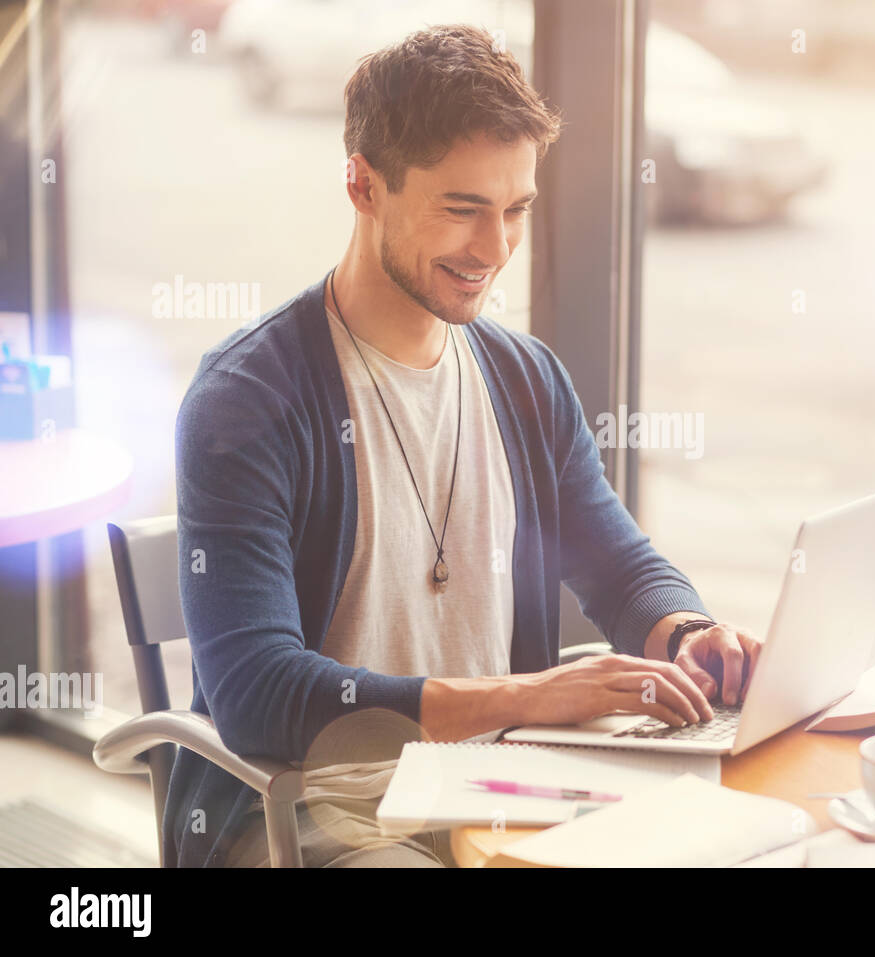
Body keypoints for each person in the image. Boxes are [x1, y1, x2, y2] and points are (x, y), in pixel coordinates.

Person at [168, 24, 761, 867]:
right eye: (462, 209)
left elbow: (621, 567)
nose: (494, 250)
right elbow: (258, 694)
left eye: (515, 209)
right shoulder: (247, 402)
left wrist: (687, 631)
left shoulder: (526, 379)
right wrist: (530, 696)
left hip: (504, 789)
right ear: (363, 185)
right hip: (314, 811)